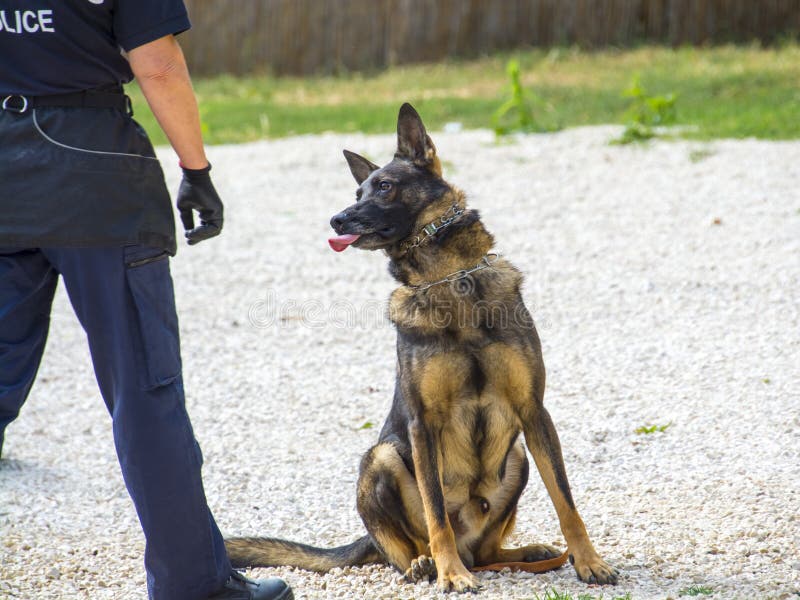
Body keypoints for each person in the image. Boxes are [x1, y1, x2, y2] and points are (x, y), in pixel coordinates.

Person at [0, 2, 292, 599]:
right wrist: (196, 169)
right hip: (94, 174)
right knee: (143, 391)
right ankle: (194, 586)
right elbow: (158, 65)